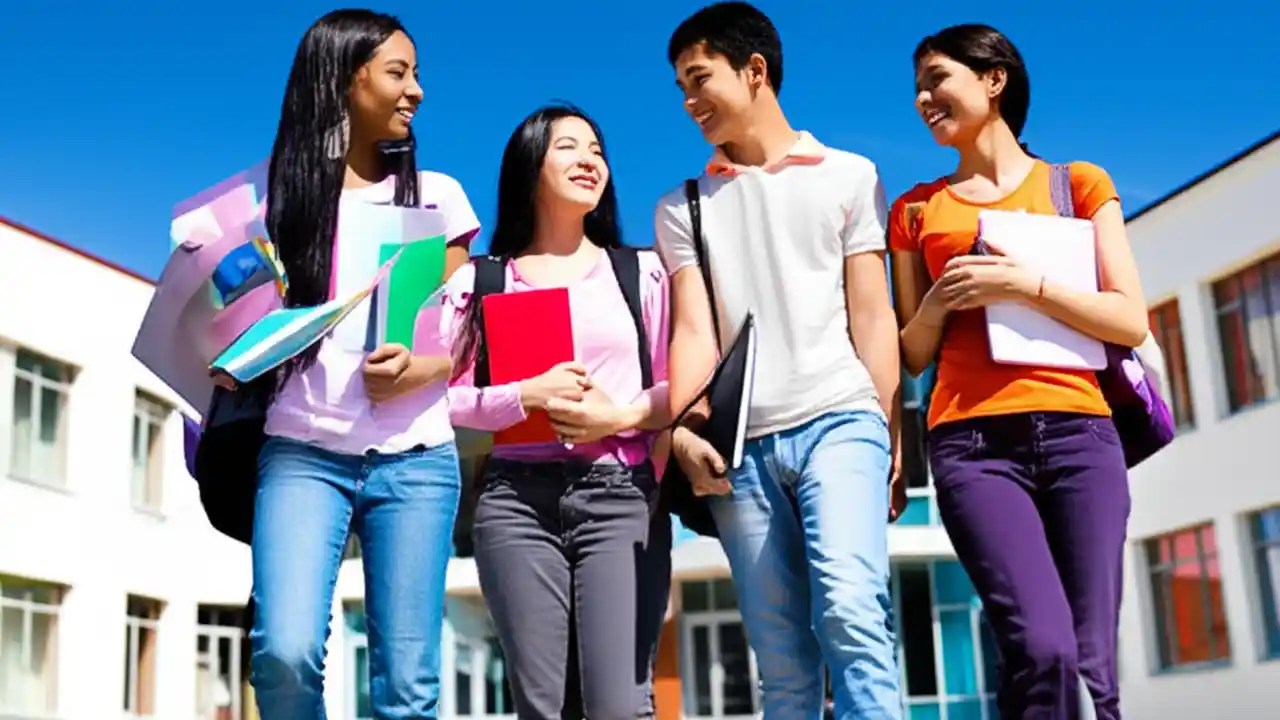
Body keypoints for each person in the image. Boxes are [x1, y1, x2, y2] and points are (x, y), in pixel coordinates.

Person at [889, 23, 1148, 720]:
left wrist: (1027, 285)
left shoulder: (1079, 184)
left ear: (993, 79)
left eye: (937, 78)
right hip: (972, 446)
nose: (922, 97)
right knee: (1041, 647)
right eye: (917, 86)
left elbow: (1130, 320)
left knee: (1092, 667)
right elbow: (910, 353)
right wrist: (941, 301)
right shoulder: (915, 209)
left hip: (1080, 436)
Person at [655, 3, 904, 717]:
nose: (689, 101)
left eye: (699, 78)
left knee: (853, 612)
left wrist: (888, 426)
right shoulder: (684, 207)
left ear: (755, 70)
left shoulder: (851, 176)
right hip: (743, 452)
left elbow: (872, 312)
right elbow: (696, 330)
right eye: (680, 87)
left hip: (840, 418)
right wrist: (681, 428)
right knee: (780, 654)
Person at [245, 9, 479, 719]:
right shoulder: (269, 197)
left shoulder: (436, 196)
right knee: (282, 653)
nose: (417, 91)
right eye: (399, 72)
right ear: (345, 79)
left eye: (416, 75)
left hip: (415, 458)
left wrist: (421, 369)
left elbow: (465, 336)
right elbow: (226, 309)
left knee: (405, 688)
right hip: (301, 450)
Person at [443, 104, 674, 720]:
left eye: (597, 149)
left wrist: (618, 415)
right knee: (544, 708)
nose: (589, 160)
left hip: (621, 494)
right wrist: (525, 396)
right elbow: (443, 400)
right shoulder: (483, 281)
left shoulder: (642, 273)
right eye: (568, 147)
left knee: (618, 707)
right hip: (514, 501)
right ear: (528, 165)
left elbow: (684, 386)